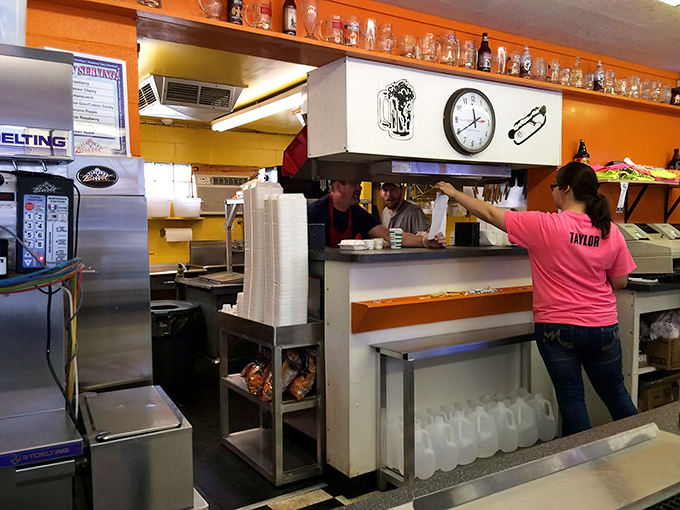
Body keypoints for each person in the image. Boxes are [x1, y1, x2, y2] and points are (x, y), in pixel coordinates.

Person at [434, 162, 638, 436]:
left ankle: (584, 469)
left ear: (566, 189)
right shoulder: (609, 231)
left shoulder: (545, 225)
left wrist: (454, 192)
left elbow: (491, 213)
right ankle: (645, 448)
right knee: (616, 394)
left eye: (554, 185)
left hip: (558, 328)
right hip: (603, 328)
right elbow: (620, 281)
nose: (552, 190)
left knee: (572, 399)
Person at [307, 180, 445, 249]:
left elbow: (388, 235)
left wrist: (424, 241)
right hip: (316, 282)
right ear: (337, 187)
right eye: (355, 183)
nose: (359, 188)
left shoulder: (356, 212)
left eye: (360, 183)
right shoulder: (316, 212)